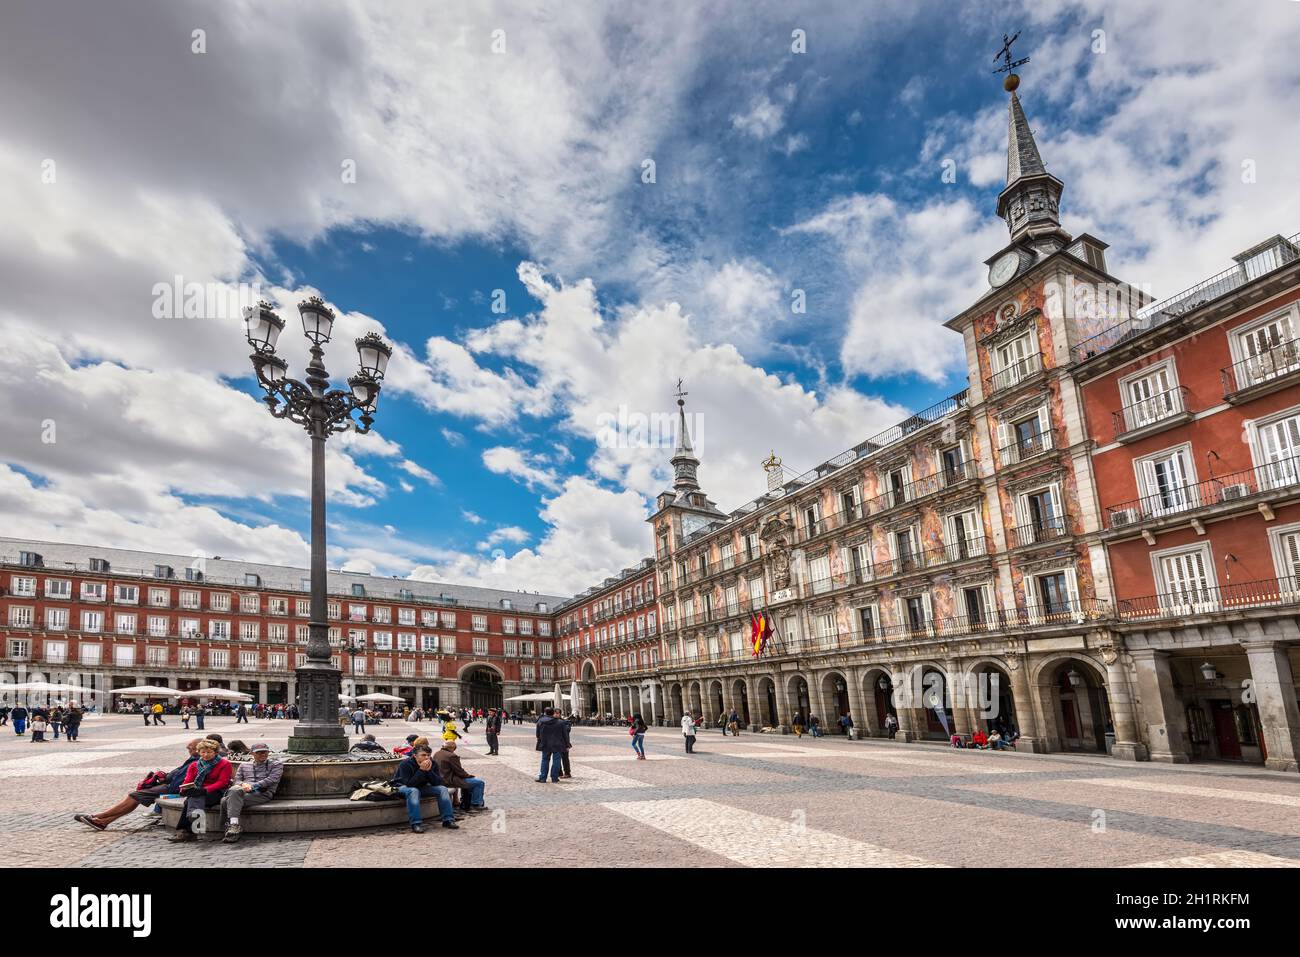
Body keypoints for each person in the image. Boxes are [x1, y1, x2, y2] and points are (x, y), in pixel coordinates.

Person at [75, 739, 203, 831]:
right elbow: (176, 775)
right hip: (171, 786)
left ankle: (99, 817)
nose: (188, 749)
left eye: (190, 747)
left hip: (174, 789)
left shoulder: (196, 761)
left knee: (135, 795)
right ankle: (103, 822)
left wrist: (165, 781)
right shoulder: (193, 759)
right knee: (138, 796)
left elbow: (178, 783)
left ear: (198, 748)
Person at [168, 739, 233, 842]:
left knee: (191, 799)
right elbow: (188, 780)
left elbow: (223, 782)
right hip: (199, 792)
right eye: (203, 752)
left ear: (215, 752)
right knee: (192, 797)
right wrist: (184, 790)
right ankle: (193, 820)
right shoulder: (194, 765)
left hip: (218, 792)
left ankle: (185, 831)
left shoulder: (224, 764)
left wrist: (205, 790)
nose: (206, 755)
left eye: (209, 752)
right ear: (199, 752)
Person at [220, 742, 282, 843]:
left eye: (265, 752)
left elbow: (272, 779)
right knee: (232, 794)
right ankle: (233, 827)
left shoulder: (276, 764)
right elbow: (237, 780)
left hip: (263, 793)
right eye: (259, 753)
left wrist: (252, 786)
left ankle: (231, 827)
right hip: (242, 792)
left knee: (225, 800)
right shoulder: (244, 765)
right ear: (252, 754)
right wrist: (243, 785)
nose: (263, 754)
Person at [391, 745, 458, 832]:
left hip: (421, 787)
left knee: (442, 789)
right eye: (423, 755)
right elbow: (409, 784)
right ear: (415, 755)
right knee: (414, 791)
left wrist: (429, 771)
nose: (427, 757)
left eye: (428, 755)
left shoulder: (432, 763)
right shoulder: (406, 764)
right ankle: (416, 823)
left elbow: (438, 782)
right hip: (402, 787)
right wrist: (421, 770)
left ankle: (448, 820)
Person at [433, 741, 487, 813]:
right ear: (453, 748)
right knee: (479, 783)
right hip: (449, 779)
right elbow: (459, 771)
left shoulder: (437, 753)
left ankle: (465, 802)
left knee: (469, 782)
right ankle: (476, 804)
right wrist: (468, 776)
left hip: (441, 778)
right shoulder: (451, 756)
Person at [535, 707, 567, 782]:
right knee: (557, 761)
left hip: (545, 743)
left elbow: (537, 734)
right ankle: (554, 778)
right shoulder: (560, 722)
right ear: (553, 713)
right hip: (558, 744)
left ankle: (543, 778)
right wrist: (567, 744)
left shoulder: (540, 721)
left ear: (545, 713)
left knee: (545, 760)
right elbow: (565, 735)